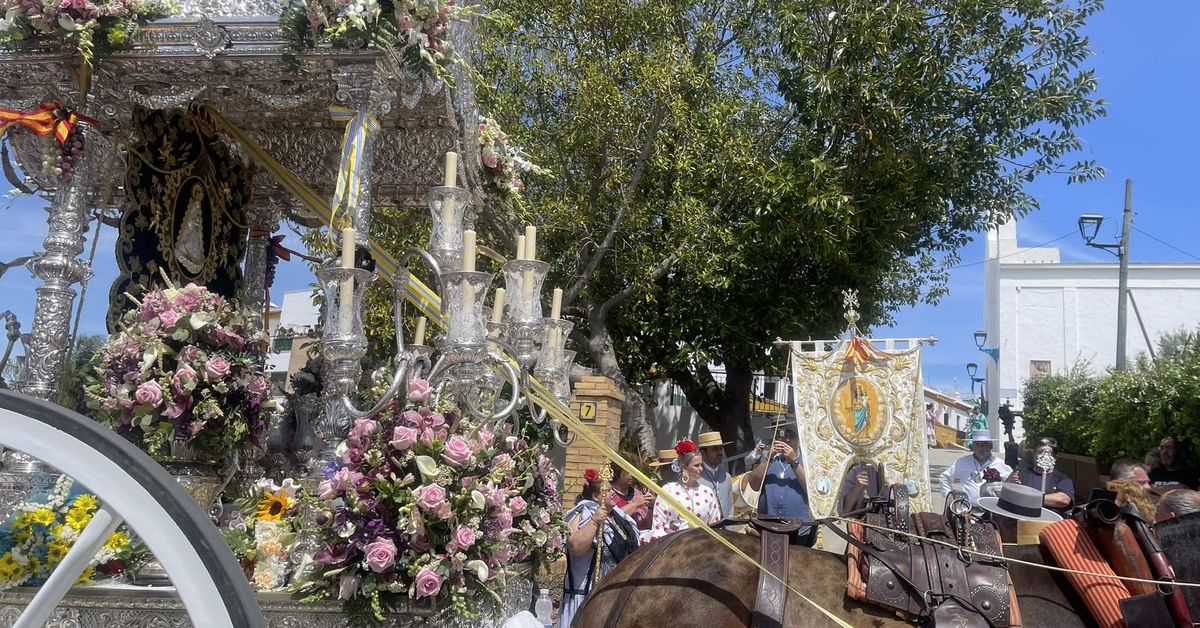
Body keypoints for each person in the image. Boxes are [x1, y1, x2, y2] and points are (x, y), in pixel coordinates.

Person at [560, 469, 641, 628]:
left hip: (616, 590)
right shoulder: (583, 513)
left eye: (611, 488)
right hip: (589, 590)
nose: (612, 492)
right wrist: (595, 521)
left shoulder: (619, 517)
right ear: (595, 496)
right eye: (607, 490)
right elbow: (575, 547)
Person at [745, 428, 815, 546]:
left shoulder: (808, 461)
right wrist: (768, 458)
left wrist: (794, 461)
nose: (785, 441)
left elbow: (812, 491)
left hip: (799, 529)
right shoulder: (769, 460)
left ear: (799, 439)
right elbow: (753, 484)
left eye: (790, 436)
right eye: (780, 437)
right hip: (767, 526)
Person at [648, 439, 722, 541]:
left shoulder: (707, 492)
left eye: (701, 464)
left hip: (704, 546)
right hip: (675, 546)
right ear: (684, 467)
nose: (701, 469)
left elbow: (715, 525)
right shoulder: (668, 490)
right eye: (696, 465)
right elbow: (658, 526)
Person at [938, 429, 1012, 506]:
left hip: (992, 511)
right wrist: (949, 497)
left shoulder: (1001, 464)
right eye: (977, 445)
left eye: (984, 445)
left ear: (990, 446)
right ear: (973, 446)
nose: (980, 448)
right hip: (968, 510)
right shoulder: (962, 462)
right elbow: (944, 477)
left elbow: (1011, 484)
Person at [1010, 438, 1075, 516]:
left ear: (1055, 457)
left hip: (1050, 522)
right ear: (1034, 453)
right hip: (1022, 518)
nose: (1044, 456)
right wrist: (1010, 485)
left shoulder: (1062, 479)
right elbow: (1007, 494)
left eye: (1048, 453)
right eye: (1040, 452)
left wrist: (1030, 498)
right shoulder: (1021, 474)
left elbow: (1063, 500)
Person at [696, 430, 733, 521]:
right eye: (715, 449)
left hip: (727, 530)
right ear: (703, 453)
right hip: (706, 531)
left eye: (721, 448)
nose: (720, 452)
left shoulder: (726, 477)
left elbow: (730, 507)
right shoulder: (696, 478)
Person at [608, 461, 655, 530]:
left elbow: (648, 525)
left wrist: (651, 507)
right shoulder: (608, 494)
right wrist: (635, 504)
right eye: (628, 471)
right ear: (617, 472)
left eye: (633, 471)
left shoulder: (638, 494)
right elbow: (613, 518)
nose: (632, 475)